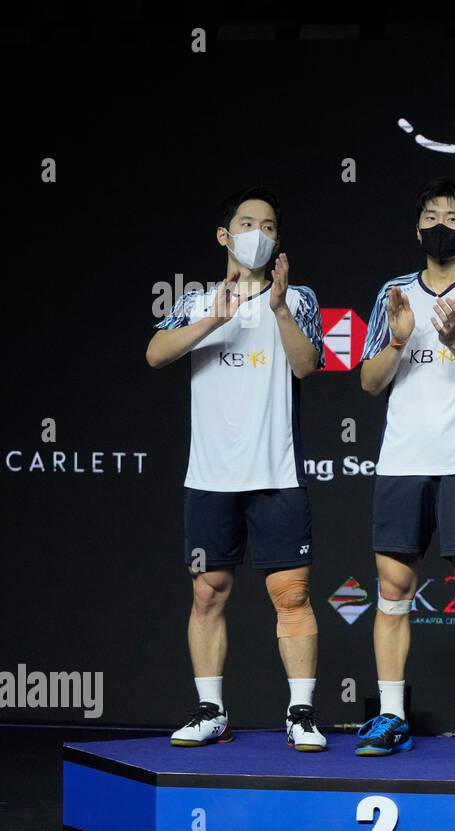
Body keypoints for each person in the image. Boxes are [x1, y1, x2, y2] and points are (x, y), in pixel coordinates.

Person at [147, 186, 326, 750]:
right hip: (210, 477)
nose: (259, 233)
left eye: (270, 226)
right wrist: (211, 323)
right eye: (248, 223)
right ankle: (211, 710)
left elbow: (306, 366)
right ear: (224, 236)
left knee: (292, 596)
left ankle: (300, 713)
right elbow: (155, 354)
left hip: (276, 474)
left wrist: (275, 309)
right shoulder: (196, 301)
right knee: (208, 595)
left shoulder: (297, 299)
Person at [354, 178, 455, 759]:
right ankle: (391, 716)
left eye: (453, 218)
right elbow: (370, 383)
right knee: (393, 587)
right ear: (417, 228)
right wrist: (398, 343)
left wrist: (452, 339)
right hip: (402, 460)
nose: (441, 225)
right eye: (431, 216)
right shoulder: (392, 295)